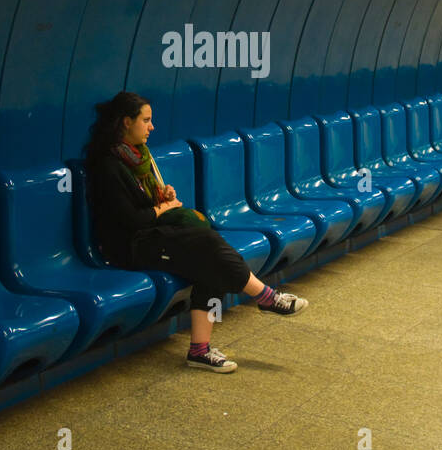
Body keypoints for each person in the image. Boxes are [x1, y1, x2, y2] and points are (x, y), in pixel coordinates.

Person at [85, 91, 307, 373]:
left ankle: (201, 350)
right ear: (126, 122)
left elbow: (141, 204)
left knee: (210, 256)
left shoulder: (139, 157)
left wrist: (161, 197)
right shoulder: (108, 165)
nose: (151, 127)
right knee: (207, 245)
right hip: (129, 246)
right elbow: (129, 219)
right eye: (146, 120)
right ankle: (264, 297)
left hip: (152, 234)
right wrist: (164, 209)